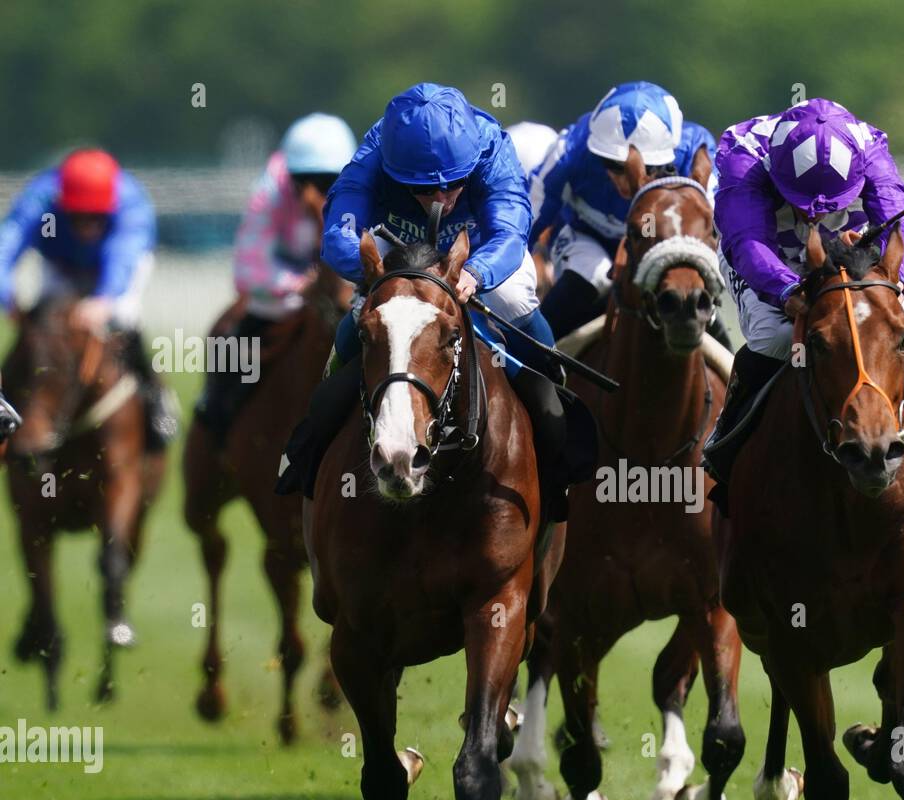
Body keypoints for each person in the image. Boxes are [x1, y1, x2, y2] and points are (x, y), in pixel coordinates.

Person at [277, 84, 573, 518]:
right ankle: (308, 457)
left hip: (480, 255)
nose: (441, 199)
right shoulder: (377, 151)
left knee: (514, 302)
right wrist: (384, 278)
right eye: (422, 189)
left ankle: (557, 438)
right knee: (359, 326)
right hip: (402, 259)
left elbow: (509, 231)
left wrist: (477, 273)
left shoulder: (490, 144)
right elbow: (339, 232)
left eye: (454, 184)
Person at [701, 98, 904, 497]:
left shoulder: (868, 149)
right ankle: (727, 446)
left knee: (893, 322)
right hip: (764, 243)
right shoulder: (744, 155)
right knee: (775, 338)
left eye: (826, 206)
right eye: (805, 204)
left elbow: (902, 231)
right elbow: (747, 243)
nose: (815, 215)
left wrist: (892, 283)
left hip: (851, 236)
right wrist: (788, 290)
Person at [195, 113, 357, 445]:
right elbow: (248, 268)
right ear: (290, 176)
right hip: (282, 288)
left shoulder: (361, 188)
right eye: (306, 180)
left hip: (336, 281)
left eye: (328, 181)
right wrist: (300, 286)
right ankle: (217, 415)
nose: (316, 192)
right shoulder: (270, 190)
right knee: (232, 338)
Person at [0, 147, 176, 450]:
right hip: (62, 266)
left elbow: (123, 259)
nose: (86, 226)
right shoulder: (41, 197)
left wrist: (104, 299)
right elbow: (6, 244)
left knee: (124, 320)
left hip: (115, 270)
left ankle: (155, 397)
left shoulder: (132, 203)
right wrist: (8, 298)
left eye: (95, 218)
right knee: (39, 329)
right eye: (77, 217)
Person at [528, 81, 725, 343]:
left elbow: (715, 231)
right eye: (610, 164)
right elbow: (527, 220)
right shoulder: (570, 149)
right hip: (586, 236)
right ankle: (533, 360)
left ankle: (738, 380)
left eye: (645, 166)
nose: (623, 181)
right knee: (593, 276)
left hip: (661, 244)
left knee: (695, 293)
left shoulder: (695, 150)